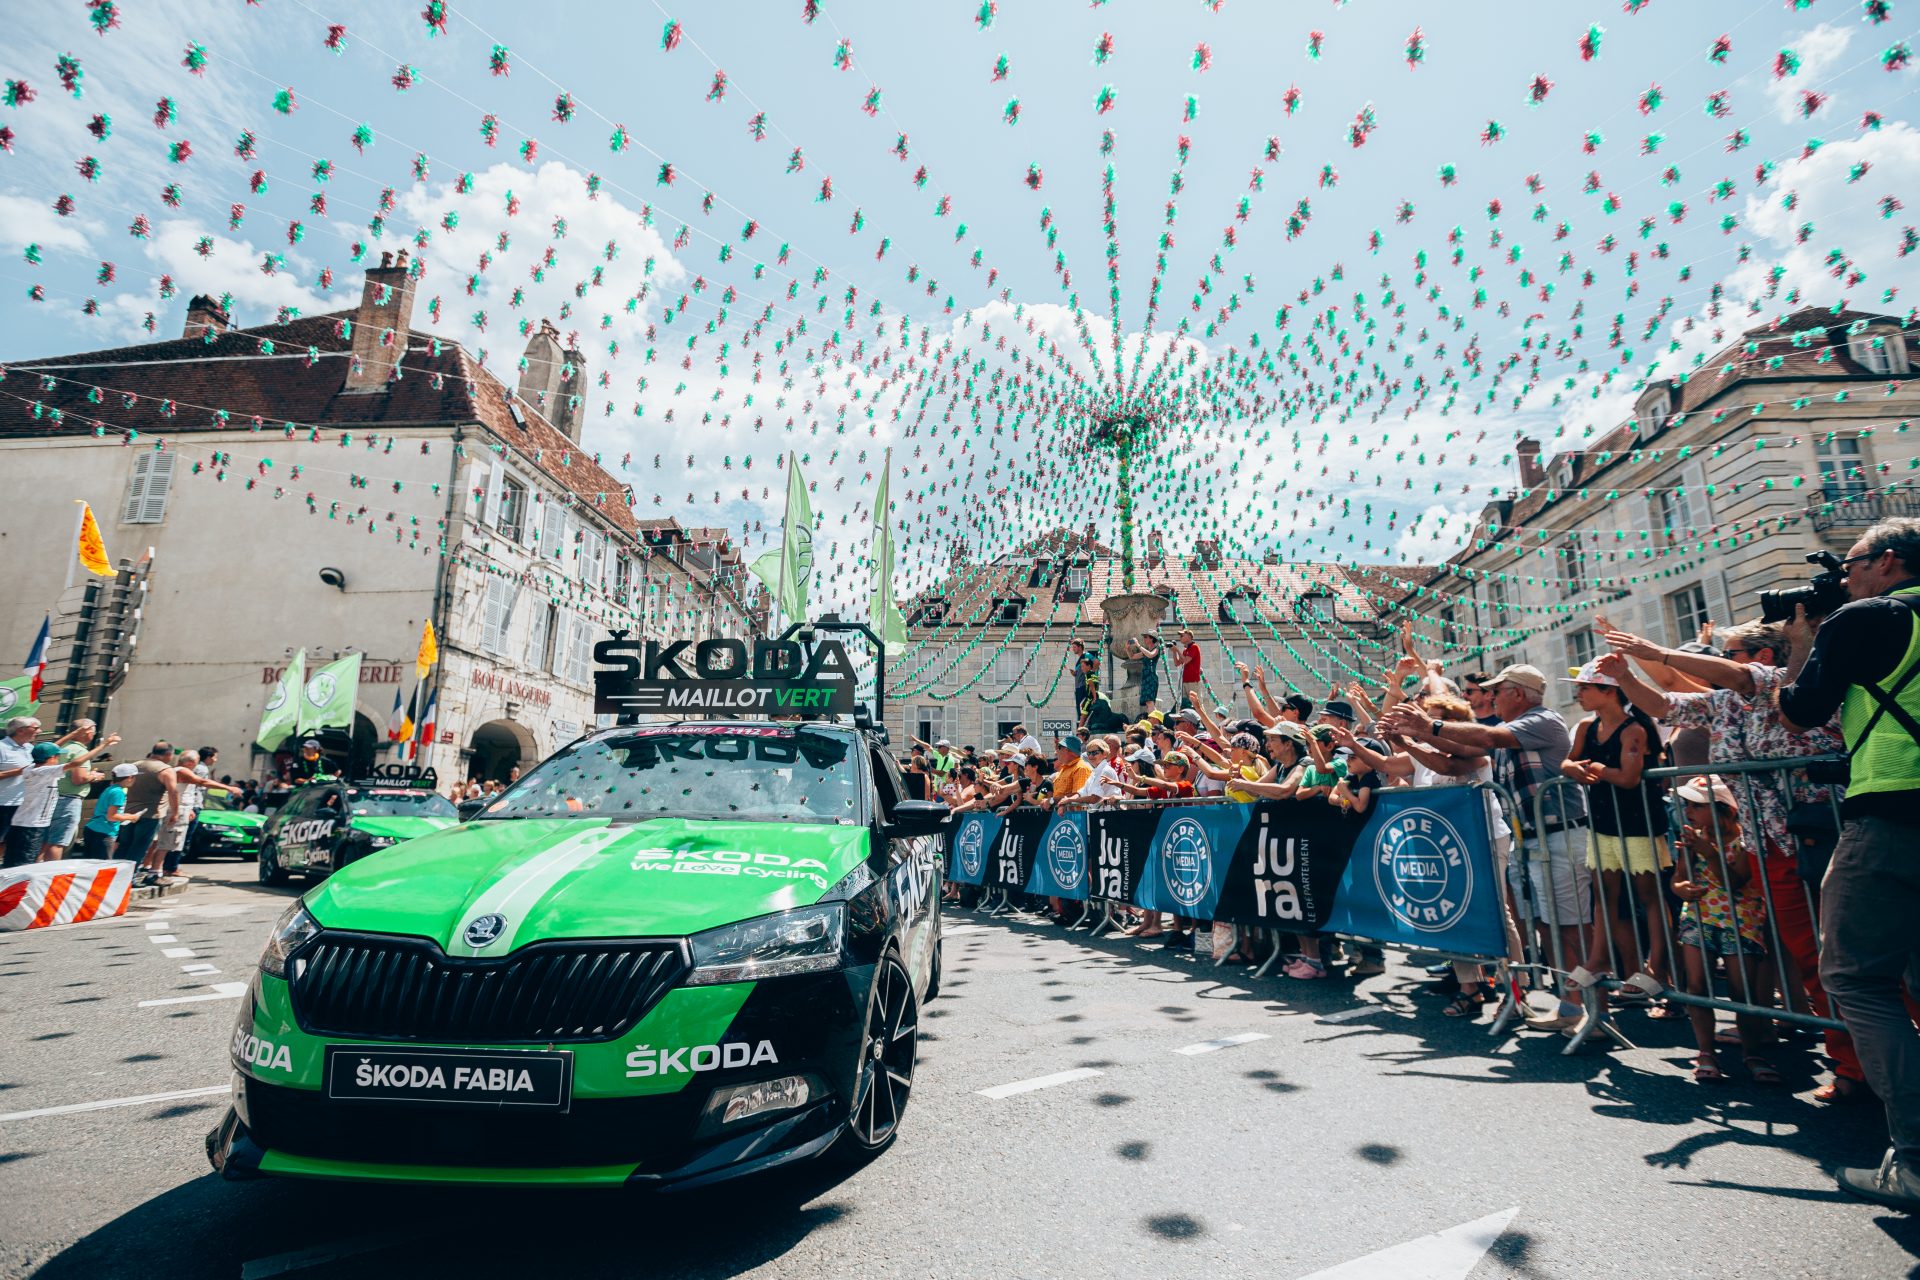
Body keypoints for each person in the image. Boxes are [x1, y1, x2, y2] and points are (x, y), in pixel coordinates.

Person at [1600, 619, 1860, 1099]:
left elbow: (1739, 678)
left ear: (1762, 658)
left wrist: (1653, 650)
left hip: (1828, 837)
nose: (1726, 661)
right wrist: (1625, 676)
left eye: (1733, 652)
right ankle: (1852, 1066)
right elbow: (1664, 705)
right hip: (1766, 847)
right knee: (1810, 958)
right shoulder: (1722, 703)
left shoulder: (1785, 684)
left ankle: (1893, 1053)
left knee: (1861, 954)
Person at [1777, 516, 1920, 1209]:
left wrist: (1803, 642)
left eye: (1853, 563)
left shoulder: (1867, 617)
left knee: (1857, 980)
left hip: (1893, 816)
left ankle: (1917, 1158)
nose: (1843, 577)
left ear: (1889, 563)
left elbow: (1801, 711)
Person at [1385, 664, 1592, 1031]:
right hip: (1530, 836)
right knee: (1545, 924)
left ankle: (1582, 1005)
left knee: (1566, 925)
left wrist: (1427, 727)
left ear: (1519, 694)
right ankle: (1569, 1005)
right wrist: (1415, 736)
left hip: (1558, 833)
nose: (1490, 696)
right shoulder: (1509, 728)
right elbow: (1457, 749)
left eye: (1497, 690)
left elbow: (1483, 741)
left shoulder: (1541, 720)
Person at [1561, 660, 1672, 1021]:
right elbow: (1568, 761)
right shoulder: (1584, 727)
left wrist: (1593, 769)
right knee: (1603, 893)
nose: (1578, 693)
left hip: (1638, 823)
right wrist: (1572, 768)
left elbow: (1628, 777)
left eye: (1586, 688)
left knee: (1648, 896)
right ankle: (1597, 959)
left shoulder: (1634, 729)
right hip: (1603, 824)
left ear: (1609, 691)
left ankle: (1658, 966)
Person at [1670, 777, 1776, 1086]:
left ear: (1725, 811)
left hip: (1740, 920)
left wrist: (1709, 851)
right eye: (1687, 805)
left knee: (1742, 991)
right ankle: (1705, 1053)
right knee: (1697, 986)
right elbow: (1677, 878)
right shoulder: (1693, 837)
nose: (1688, 811)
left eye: (1697, 806)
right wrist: (1680, 888)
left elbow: (1735, 881)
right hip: (1699, 916)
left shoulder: (1745, 841)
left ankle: (1753, 1053)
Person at [6, 736, 118, 866]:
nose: (58, 759)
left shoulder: (31, 768)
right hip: (32, 823)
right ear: (52, 758)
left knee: (19, 860)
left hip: (27, 821)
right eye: (57, 756)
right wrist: (103, 745)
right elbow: (75, 763)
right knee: (23, 863)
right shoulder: (45, 770)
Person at [44, 719, 104, 860]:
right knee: (58, 842)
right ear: (87, 731)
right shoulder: (80, 751)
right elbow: (79, 779)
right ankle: (51, 875)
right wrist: (94, 776)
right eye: (93, 731)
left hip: (51, 796)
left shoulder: (61, 748)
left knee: (45, 840)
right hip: (69, 799)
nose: (93, 735)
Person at [115, 743, 180, 869]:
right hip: (150, 814)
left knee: (123, 846)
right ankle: (131, 877)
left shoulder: (135, 766)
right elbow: (173, 792)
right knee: (139, 847)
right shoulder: (166, 770)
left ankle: (115, 875)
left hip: (129, 812)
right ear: (168, 754)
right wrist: (175, 813)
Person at [81, 763, 146, 858]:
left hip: (92, 829)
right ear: (129, 778)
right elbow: (111, 817)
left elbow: (108, 811)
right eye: (134, 777)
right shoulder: (119, 792)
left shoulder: (109, 789)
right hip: (104, 833)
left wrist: (124, 815)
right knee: (102, 867)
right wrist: (132, 817)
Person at [0, 716, 42, 846]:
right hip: (3, 804)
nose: (39, 731)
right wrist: (20, 771)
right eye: (35, 728)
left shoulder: (29, 748)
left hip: (23, 804)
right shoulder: (2, 747)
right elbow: (24, 770)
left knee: (12, 842)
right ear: (20, 730)